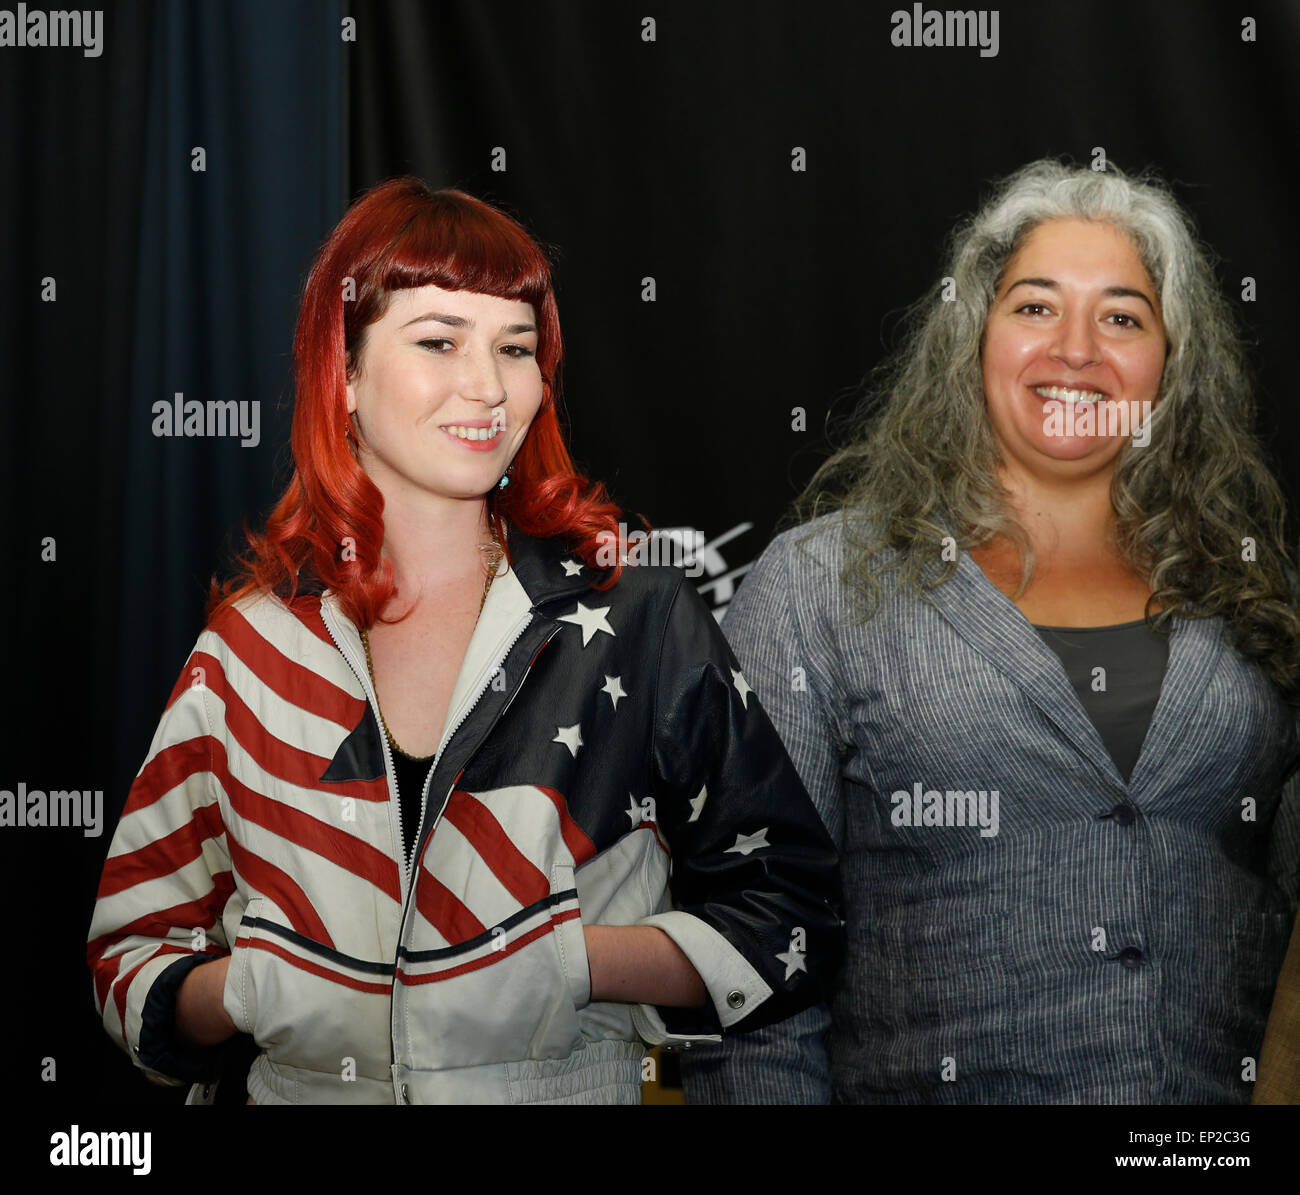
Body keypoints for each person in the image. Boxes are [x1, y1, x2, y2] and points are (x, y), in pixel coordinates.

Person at [87, 178, 842, 1105]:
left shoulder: (637, 623)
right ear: (345, 372)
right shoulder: (249, 646)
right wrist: (244, 988)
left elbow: (793, 917)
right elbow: (126, 957)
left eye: (515, 348)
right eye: (440, 340)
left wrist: (574, 960)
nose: (487, 386)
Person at [681, 159, 1300, 1104]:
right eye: (1036, 307)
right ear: (973, 336)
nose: (1079, 350)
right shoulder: (822, 587)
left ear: (1174, 367)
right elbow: (757, 959)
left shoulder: (1253, 598)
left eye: (1124, 316)